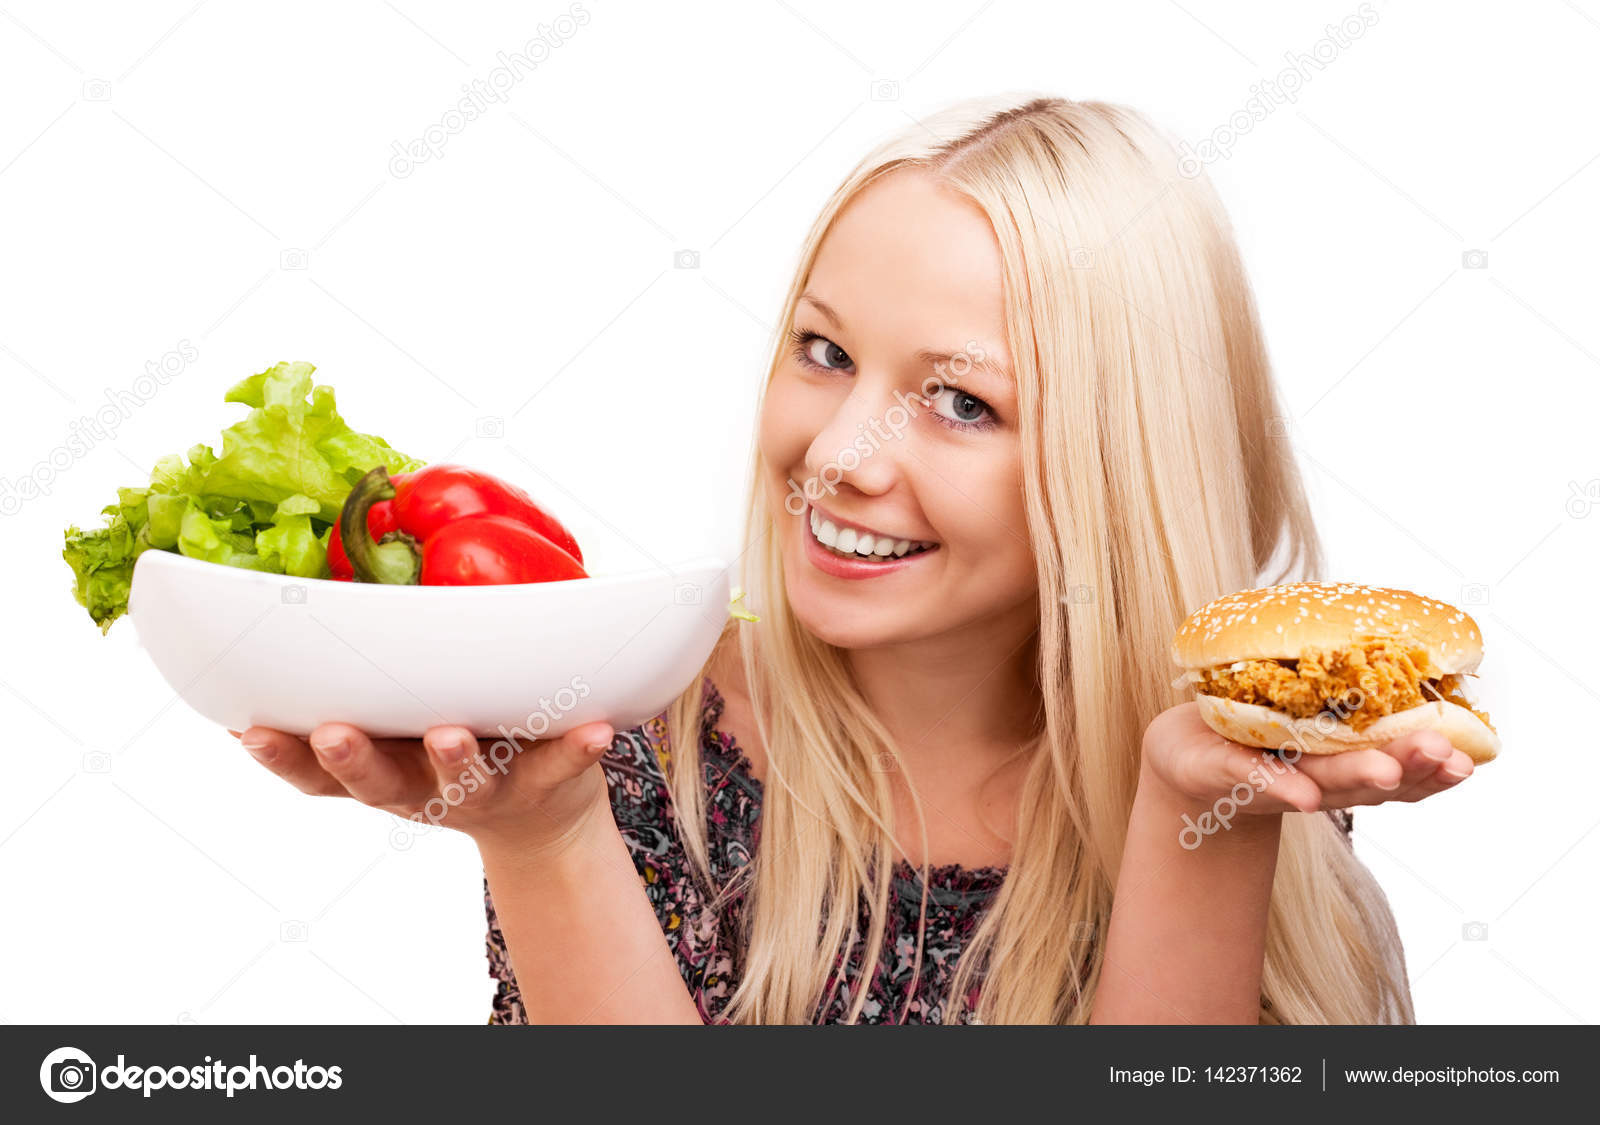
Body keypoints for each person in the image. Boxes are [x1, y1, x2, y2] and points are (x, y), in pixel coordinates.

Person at [237, 93, 1476, 1025]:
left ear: (1123, 466)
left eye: (961, 403)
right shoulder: (621, 747)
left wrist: (1194, 823)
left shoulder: (1242, 772)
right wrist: (545, 840)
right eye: (824, 353)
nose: (835, 455)